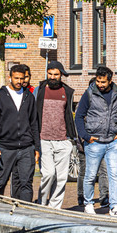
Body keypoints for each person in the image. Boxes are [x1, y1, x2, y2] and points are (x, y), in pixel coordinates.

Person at [75, 65, 117, 217]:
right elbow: (79, 116)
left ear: (110, 81)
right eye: (98, 81)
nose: (100, 84)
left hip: (113, 141)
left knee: (115, 174)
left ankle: (114, 206)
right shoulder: (90, 93)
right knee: (91, 175)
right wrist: (85, 136)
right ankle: (89, 204)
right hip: (94, 141)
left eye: (103, 82)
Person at [0, 63, 38, 202]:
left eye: (22, 79)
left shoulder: (28, 96)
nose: (19, 82)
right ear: (10, 77)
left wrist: (37, 148)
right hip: (5, 147)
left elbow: (34, 123)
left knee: (26, 182)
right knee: (1, 181)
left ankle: (24, 212)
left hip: (26, 147)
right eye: (16, 78)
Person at [34, 61, 77, 210]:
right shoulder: (39, 90)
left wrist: (72, 137)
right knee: (48, 174)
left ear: (61, 75)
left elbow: (70, 116)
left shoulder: (68, 92)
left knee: (61, 177)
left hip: (62, 139)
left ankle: (54, 207)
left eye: (55, 74)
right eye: (50, 74)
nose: (52, 77)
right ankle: (42, 202)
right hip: (44, 138)